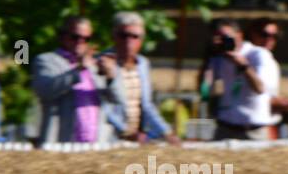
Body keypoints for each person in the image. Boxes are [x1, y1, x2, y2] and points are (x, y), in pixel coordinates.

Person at [99, 12, 179, 144]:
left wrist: (166, 132)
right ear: (113, 36)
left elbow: (146, 105)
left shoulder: (143, 64)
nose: (128, 41)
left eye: (134, 36)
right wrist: (126, 131)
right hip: (109, 139)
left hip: (137, 139)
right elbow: (101, 107)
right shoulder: (102, 62)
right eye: (123, 35)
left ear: (141, 40)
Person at [33, 16, 112, 144]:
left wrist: (111, 77)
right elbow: (44, 90)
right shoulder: (46, 60)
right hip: (61, 145)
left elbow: (116, 102)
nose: (80, 42)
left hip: (96, 145)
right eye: (75, 37)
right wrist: (79, 70)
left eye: (86, 39)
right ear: (62, 36)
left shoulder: (94, 65)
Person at [199, 18, 277, 140]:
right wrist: (208, 58)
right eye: (219, 38)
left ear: (239, 35)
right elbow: (204, 91)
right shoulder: (218, 58)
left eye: (227, 37)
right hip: (225, 129)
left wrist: (242, 64)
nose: (224, 41)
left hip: (253, 131)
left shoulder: (258, 54)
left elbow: (260, 88)